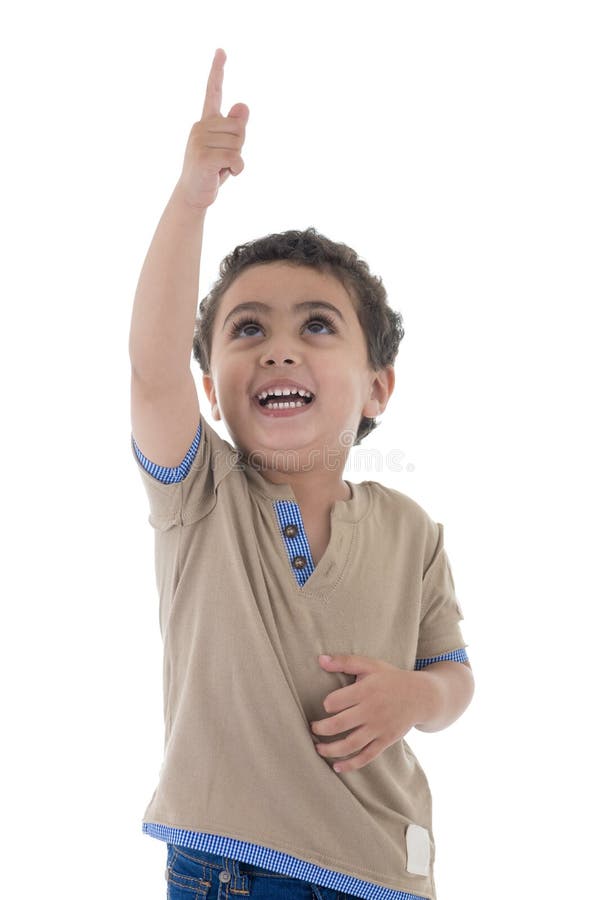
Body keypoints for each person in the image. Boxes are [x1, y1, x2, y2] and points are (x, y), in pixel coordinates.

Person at [129, 47, 475, 900]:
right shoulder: (197, 497)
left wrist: (414, 699)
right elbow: (151, 371)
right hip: (233, 868)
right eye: (247, 329)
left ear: (376, 386)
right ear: (212, 388)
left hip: (388, 870)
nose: (279, 344)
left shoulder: (410, 530)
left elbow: (454, 675)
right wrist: (190, 200)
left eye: (316, 325)